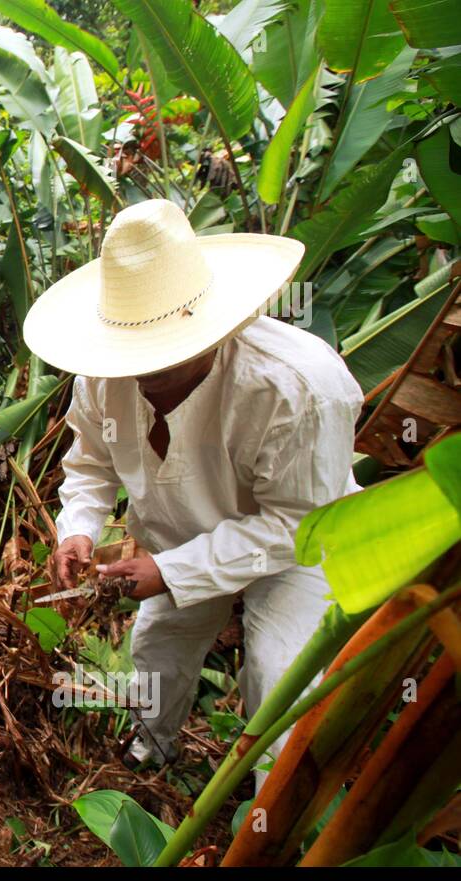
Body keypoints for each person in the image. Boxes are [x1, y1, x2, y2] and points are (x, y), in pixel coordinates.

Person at [24, 198, 364, 789]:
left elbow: (294, 524)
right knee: (157, 647)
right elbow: (90, 464)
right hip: (176, 543)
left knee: (278, 674)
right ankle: (148, 759)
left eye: (163, 354)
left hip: (303, 548)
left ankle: (271, 824)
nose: (145, 372)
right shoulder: (104, 375)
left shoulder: (297, 388)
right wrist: (78, 526)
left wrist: (172, 570)